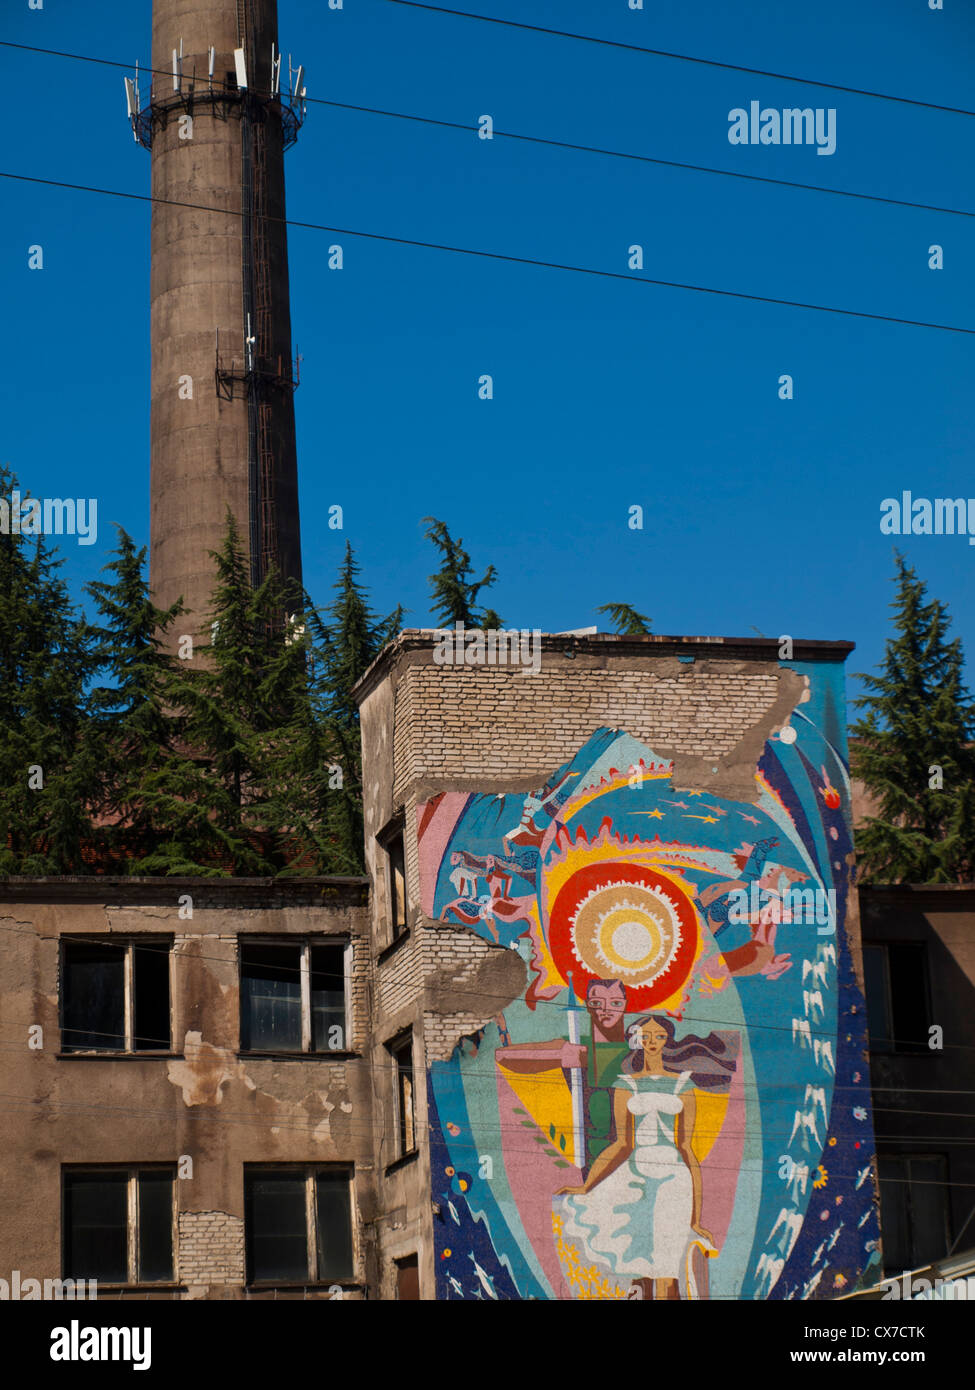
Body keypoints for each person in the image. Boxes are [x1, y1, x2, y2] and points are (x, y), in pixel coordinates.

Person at [555, 1014, 734, 1300]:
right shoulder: (626, 1085)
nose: (652, 1042)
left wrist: (696, 1220)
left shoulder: (683, 1086)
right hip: (635, 1179)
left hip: (673, 1180)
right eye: (647, 1036)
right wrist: (588, 1187)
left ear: (667, 1040)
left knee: (667, 1268)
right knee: (641, 1266)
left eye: (659, 1036)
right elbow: (621, 1145)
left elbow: (687, 1149)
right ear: (637, 1039)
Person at [495, 979, 629, 1173]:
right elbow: (504, 1056)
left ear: (625, 1005)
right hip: (586, 1156)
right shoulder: (574, 1043)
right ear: (587, 1006)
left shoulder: (629, 1052)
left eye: (615, 1003)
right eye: (596, 1003)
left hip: (620, 1159)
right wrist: (560, 1055)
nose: (606, 1009)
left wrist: (575, 1055)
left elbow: (596, 1059)